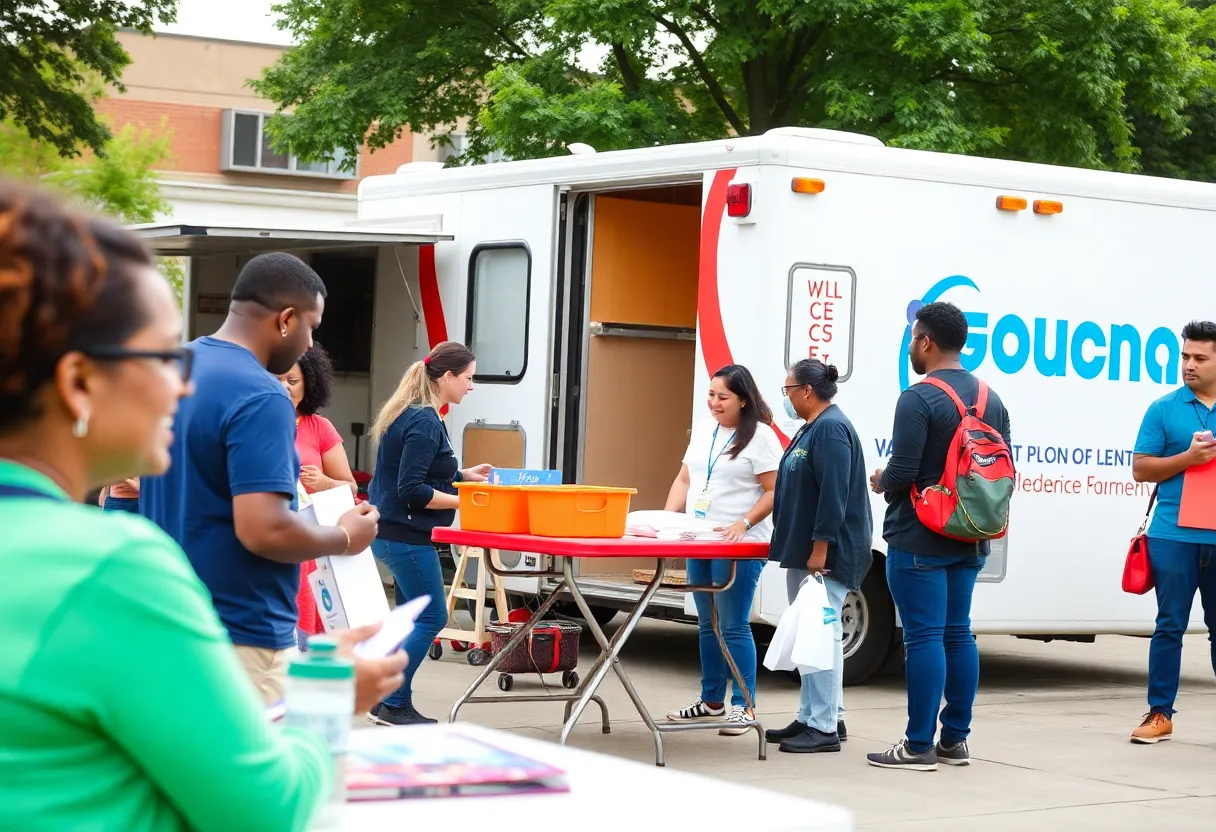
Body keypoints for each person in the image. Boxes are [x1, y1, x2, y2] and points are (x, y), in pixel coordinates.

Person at [0, 182, 406, 830]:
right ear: (78, 383)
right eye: (162, 355)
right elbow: (263, 809)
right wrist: (328, 695)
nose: (180, 383)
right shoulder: (114, 570)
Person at [140, 252, 381, 705]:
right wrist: (345, 537)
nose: (310, 344)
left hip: (170, 615)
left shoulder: (177, 367)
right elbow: (263, 528)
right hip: (242, 634)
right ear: (286, 320)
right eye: (311, 327)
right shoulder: (262, 393)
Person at [867, 301, 1011, 771]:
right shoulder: (992, 398)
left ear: (925, 341)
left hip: (918, 536)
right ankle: (954, 741)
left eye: (913, 338)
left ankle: (917, 745)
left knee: (924, 637)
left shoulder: (917, 398)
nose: (911, 346)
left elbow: (904, 471)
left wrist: (882, 480)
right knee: (957, 633)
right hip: (970, 533)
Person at [368, 340, 491, 726]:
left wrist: (462, 476)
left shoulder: (416, 414)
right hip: (405, 538)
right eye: (468, 378)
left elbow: (423, 469)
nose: (471, 386)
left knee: (408, 620)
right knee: (434, 617)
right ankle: (393, 702)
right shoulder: (424, 421)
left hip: (393, 534)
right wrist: (465, 502)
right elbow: (411, 489)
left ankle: (388, 701)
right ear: (448, 376)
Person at [663, 365, 781, 736]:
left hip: (739, 545)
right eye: (711, 395)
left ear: (743, 400)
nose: (714, 402)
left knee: (732, 624)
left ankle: (744, 706)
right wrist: (666, 522)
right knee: (707, 623)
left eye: (723, 397)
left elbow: (774, 490)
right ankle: (711, 701)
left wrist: (744, 523)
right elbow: (684, 478)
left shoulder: (760, 437)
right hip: (698, 539)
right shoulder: (704, 431)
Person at [765, 359, 872, 753]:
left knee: (820, 637)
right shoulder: (814, 427)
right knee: (814, 635)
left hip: (826, 555)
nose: (787, 398)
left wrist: (821, 547)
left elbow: (834, 493)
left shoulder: (830, 430)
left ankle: (823, 727)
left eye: (788, 390)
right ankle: (819, 716)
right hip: (808, 552)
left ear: (807, 391)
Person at [1129, 320, 1216, 744]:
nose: (1189, 365)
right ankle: (1159, 714)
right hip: (1172, 536)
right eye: (1185, 356)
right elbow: (1141, 468)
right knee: (1169, 626)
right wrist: (1188, 458)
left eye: (1200, 358)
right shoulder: (1163, 408)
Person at [277, 343, 358, 649]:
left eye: (292, 381)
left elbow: (350, 487)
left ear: (309, 384)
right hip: (267, 535)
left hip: (309, 542)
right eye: (277, 379)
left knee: (307, 624)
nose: (285, 387)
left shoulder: (319, 427)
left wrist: (324, 482)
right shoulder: (251, 422)